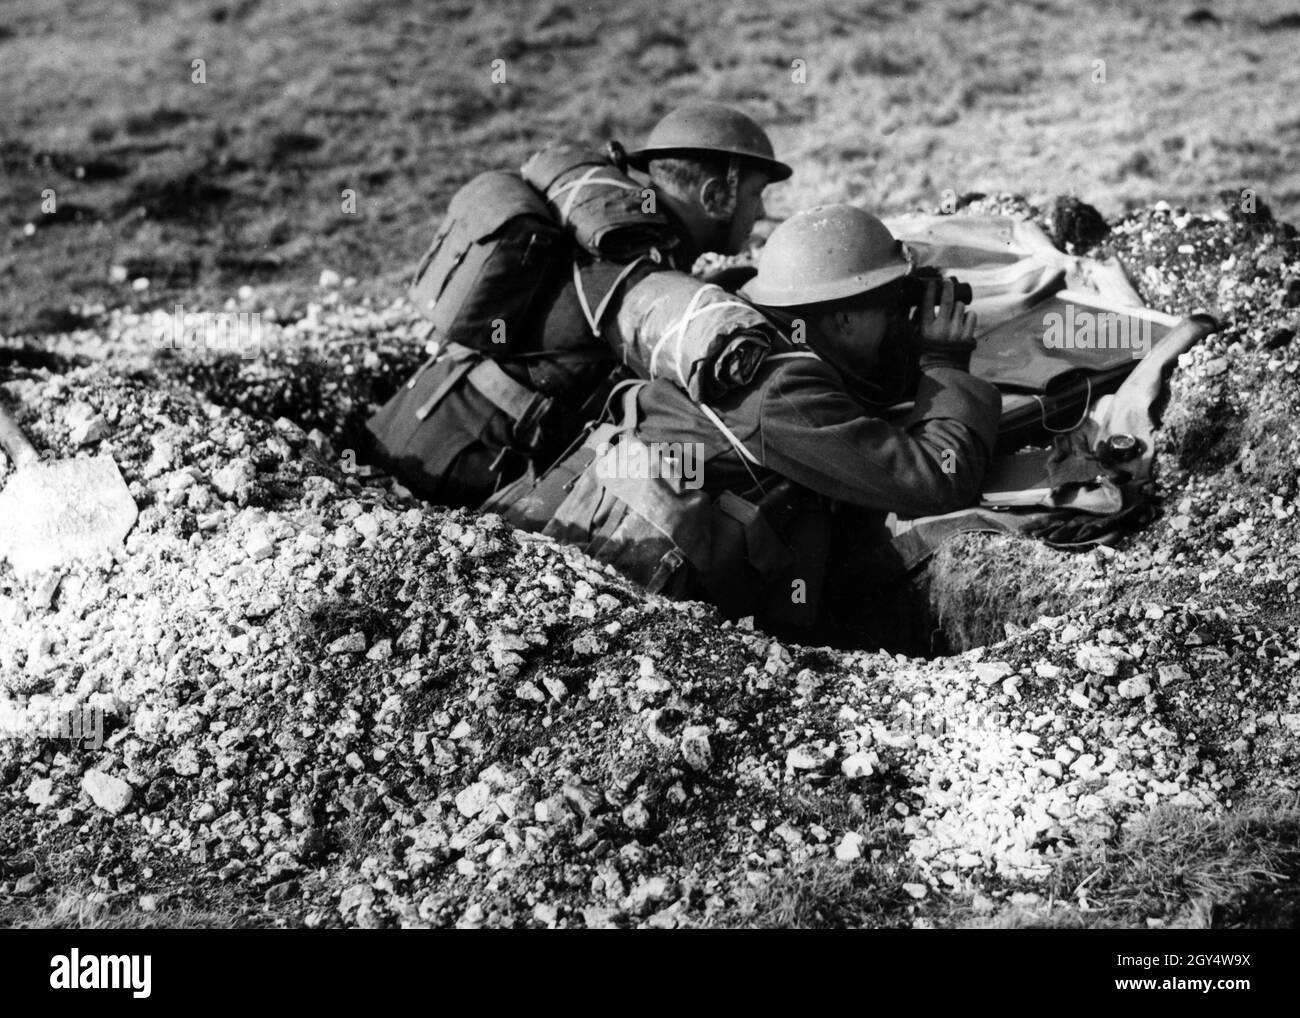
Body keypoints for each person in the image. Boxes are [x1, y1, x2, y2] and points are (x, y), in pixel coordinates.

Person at [528, 204, 1003, 637]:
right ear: (843, 321)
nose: (902, 318)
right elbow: (938, 478)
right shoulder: (782, 389)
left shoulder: (746, 331)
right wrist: (943, 363)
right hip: (627, 620)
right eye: (889, 306)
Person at [367, 102, 790, 508]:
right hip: (441, 472)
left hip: (412, 426)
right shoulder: (632, 260)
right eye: (756, 193)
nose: (763, 210)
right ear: (716, 195)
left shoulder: (614, 229)